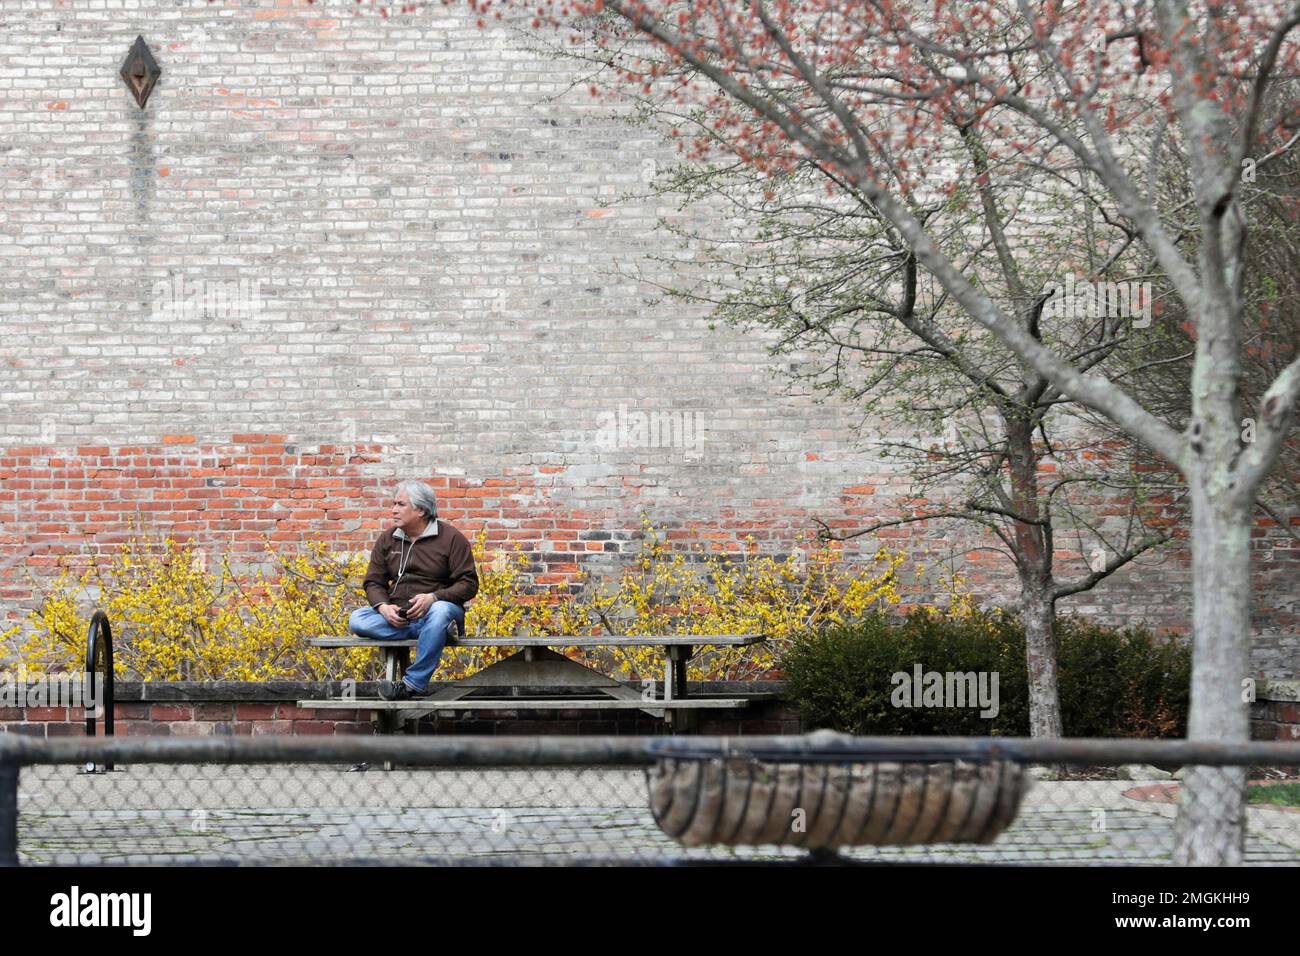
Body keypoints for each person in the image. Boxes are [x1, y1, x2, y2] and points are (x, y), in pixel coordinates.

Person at [348, 479, 479, 700]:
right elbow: (373, 582)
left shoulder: (451, 539)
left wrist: (434, 597)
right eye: (393, 504)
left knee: (439, 613)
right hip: (401, 617)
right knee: (357, 619)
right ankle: (432, 633)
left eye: (400, 504)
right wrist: (383, 608)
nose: (393, 510)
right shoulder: (388, 539)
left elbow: (469, 584)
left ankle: (412, 684)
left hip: (441, 611)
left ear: (420, 509)